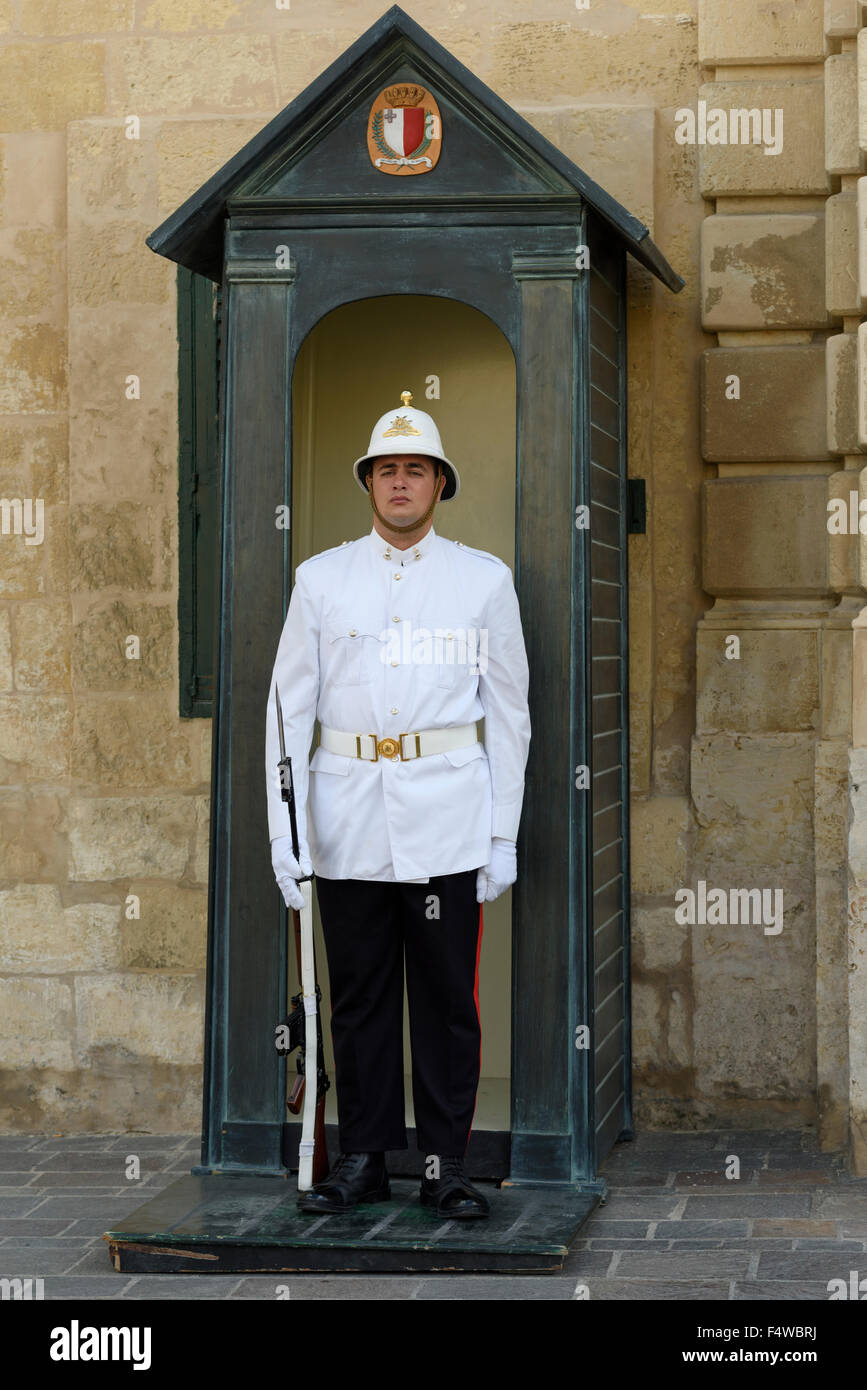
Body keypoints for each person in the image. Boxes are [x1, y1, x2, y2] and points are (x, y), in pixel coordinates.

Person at [265, 390, 530, 1219]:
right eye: (387, 470)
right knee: (361, 998)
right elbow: (287, 713)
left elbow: (510, 713)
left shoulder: (483, 583)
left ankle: (446, 1164)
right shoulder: (321, 580)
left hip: (449, 820)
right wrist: (288, 837)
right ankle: (365, 1158)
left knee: (447, 1001)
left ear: (440, 484)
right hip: (345, 819)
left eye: (417, 470)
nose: (401, 484)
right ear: (369, 484)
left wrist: (502, 835)